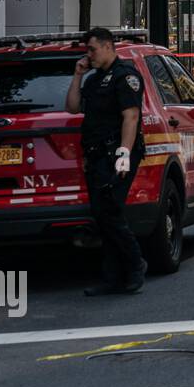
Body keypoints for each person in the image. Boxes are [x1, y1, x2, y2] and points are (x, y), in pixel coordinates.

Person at [65, 27, 148, 296]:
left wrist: (124, 154)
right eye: (87, 50)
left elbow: (131, 117)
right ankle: (113, 277)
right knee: (102, 215)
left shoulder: (124, 76)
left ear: (108, 46)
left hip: (117, 154)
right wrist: (77, 75)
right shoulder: (93, 80)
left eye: (92, 49)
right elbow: (72, 107)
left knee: (110, 210)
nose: (89, 54)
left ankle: (135, 264)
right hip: (96, 155)